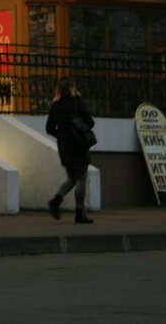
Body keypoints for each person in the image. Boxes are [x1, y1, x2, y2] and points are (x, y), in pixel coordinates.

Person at [45, 75, 95, 224]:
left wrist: (61, 135)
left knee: (71, 177)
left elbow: (49, 128)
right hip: (79, 143)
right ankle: (79, 213)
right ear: (73, 87)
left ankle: (56, 199)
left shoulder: (56, 105)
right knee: (81, 178)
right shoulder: (77, 102)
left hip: (64, 145)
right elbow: (90, 122)